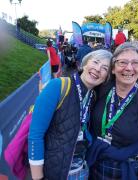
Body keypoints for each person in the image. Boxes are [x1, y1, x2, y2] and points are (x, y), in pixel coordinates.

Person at [28, 49, 113, 180]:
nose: (97, 69)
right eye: (95, 62)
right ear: (84, 64)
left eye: (104, 68)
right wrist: (38, 178)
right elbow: (35, 135)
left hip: (81, 172)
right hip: (54, 173)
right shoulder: (57, 86)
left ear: (106, 77)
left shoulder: (93, 96)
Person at [87, 42, 138, 179]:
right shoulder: (99, 89)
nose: (129, 68)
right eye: (122, 62)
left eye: (135, 63)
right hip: (96, 165)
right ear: (113, 68)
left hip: (128, 170)